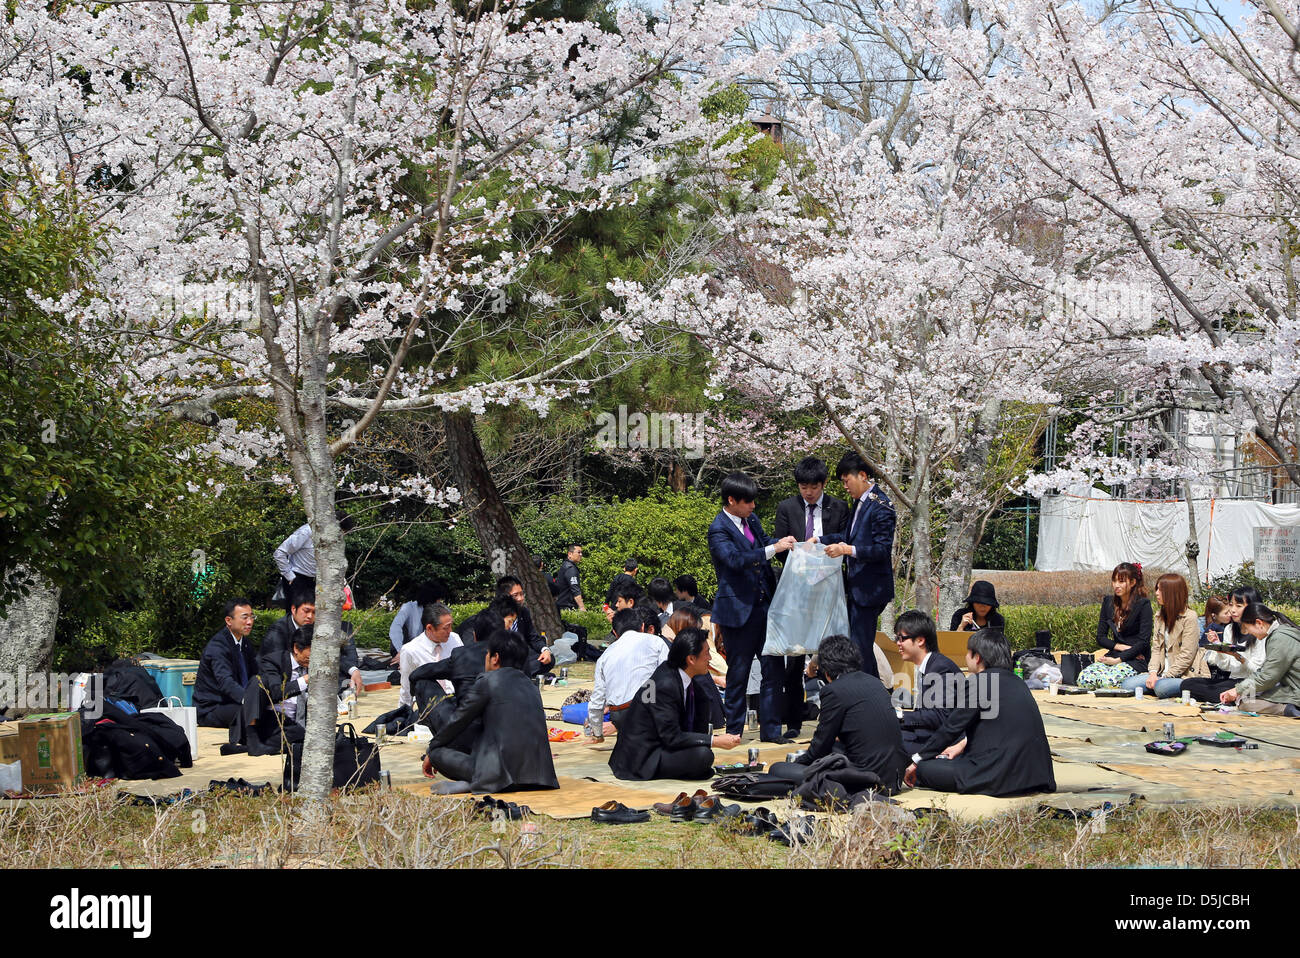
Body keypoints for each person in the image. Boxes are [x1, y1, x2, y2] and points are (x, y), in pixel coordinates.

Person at [904, 629, 1055, 797]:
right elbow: (1002, 726)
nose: (966, 658)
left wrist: (917, 760)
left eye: (968, 653)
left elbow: (951, 728)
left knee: (925, 768)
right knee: (948, 759)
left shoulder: (979, 682)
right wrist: (960, 746)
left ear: (977, 657)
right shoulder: (1018, 682)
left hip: (998, 777)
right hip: (1036, 776)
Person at [707, 471, 797, 743]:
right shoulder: (718, 528)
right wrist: (772, 550)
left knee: (773, 669)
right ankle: (734, 730)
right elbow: (734, 560)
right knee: (739, 672)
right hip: (737, 611)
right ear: (732, 500)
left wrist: (790, 545)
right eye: (748, 502)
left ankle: (771, 730)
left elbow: (767, 542)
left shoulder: (751, 520)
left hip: (763, 606)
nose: (753, 506)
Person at [422, 631, 559, 793]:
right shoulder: (531, 685)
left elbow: (458, 720)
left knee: (437, 753)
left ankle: (477, 782)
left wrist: (431, 750)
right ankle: (480, 781)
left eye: (487, 654)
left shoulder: (487, 681)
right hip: (540, 777)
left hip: (498, 775)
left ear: (495, 658)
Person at [773, 455, 851, 740]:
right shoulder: (787, 508)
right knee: (794, 658)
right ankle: (793, 720)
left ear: (824, 484)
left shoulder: (839, 507)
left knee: (831, 655)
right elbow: (779, 548)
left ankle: (834, 719)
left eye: (813, 487)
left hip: (828, 588)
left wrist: (823, 545)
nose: (808, 492)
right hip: (797, 590)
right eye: (803, 486)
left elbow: (844, 536)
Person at [771, 634, 909, 793]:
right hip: (895, 777)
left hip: (868, 780)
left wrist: (797, 763)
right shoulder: (874, 682)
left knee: (779, 770)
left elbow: (820, 745)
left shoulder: (834, 691)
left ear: (826, 668)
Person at [608, 629, 742, 781]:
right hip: (642, 756)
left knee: (702, 749)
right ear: (691, 659)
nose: (710, 658)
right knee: (702, 756)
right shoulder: (664, 685)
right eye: (706, 653)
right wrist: (715, 740)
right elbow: (671, 736)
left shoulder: (684, 679)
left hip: (662, 745)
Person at [816, 451, 896, 679]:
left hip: (871, 589)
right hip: (857, 587)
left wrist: (846, 550)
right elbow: (849, 536)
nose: (845, 487)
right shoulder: (860, 503)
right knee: (858, 645)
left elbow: (881, 549)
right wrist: (820, 540)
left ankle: (872, 693)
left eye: (846, 480)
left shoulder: (881, 505)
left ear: (862, 475)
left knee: (861, 646)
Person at [584, 608, 669, 742]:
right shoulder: (656, 642)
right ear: (642, 626)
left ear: (615, 633)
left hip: (619, 714)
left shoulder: (605, 656)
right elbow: (668, 679)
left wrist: (597, 733)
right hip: (650, 709)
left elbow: (596, 702)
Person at [260, 588, 362, 696]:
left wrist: (353, 670)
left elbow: (328, 654)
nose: (310, 616)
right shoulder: (278, 631)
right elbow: (275, 666)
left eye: (314, 612)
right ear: (293, 609)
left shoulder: (316, 628)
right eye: (306, 611)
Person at [1120, 573, 1206, 697]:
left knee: (1162, 688)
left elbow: (1187, 655)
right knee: (1127, 685)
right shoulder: (1159, 616)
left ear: (1172, 593)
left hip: (1183, 674)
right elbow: (1156, 649)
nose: (1156, 593)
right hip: (1160, 673)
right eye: (1156, 589)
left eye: (1161, 590)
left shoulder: (1189, 617)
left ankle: (1165, 687)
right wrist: (1153, 673)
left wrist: (1166, 676)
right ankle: (1157, 686)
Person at [893, 610, 963, 754]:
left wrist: (900, 716)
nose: (898, 644)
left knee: (887, 742)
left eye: (901, 638)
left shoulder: (941, 668)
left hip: (948, 742)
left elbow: (940, 716)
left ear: (920, 640)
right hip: (932, 734)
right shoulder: (928, 665)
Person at [1182, 586, 1266, 702]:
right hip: (1232, 680)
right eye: (1231, 605)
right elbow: (1225, 666)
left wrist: (1238, 657)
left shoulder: (1260, 632)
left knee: (1219, 691)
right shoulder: (1230, 629)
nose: (1233, 610)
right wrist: (1219, 646)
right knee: (1187, 684)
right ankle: (1232, 699)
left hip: (1250, 683)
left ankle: (1235, 698)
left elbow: (1258, 672)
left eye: (1239, 606)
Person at [1079, 561, 1151, 688]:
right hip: (1113, 654)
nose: (1116, 585)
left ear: (1133, 582)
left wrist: (1119, 659)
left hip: (1135, 658)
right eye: (1114, 581)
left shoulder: (1143, 605)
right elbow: (1101, 637)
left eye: (1121, 581)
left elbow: (1143, 642)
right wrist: (1120, 647)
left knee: (1108, 682)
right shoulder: (1108, 602)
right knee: (1084, 679)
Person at [194, 599, 258, 740]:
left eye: (251, 617)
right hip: (212, 707)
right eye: (244, 617)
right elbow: (226, 682)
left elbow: (256, 674)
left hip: (234, 702)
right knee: (252, 712)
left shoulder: (245, 643)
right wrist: (250, 700)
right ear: (229, 620)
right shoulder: (217, 646)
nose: (249, 622)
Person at [1219, 604, 1300, 716]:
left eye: (1248, 628)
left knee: (1246, 704)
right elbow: (1264, 671)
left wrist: (1237, 690)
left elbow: (1267, 678)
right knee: (1247, 696)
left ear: (1259, 623)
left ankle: (1291, 708)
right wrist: (1240, 689)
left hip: (1296, 692)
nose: (1248, 633)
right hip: (1292, 688)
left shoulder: (1280, 638)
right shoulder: (1280, 634)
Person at [242, 626, 312, 756]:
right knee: (256, 682)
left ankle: (274, 746)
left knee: (306, 737)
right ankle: (252, 741)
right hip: (272, 718)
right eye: (310, 653)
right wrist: (304, 681)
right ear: (296, 648)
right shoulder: (273, 661)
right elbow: (276, 692)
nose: (313, 658)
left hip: (297, 721)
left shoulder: (315, 665)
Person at [272, 512, 355, 607]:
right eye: (339, 532)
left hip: (317, 581)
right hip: (297, 579)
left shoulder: (334, 541)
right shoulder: (306, 532)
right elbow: (280, 553)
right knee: (297, 614)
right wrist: (290, 577)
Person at [400, 603, 462, 711]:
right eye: (446, 628)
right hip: (431, 706)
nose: (450, 631)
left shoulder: (455, 639)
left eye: (451, 625)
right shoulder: (410, 650)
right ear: (430, 628)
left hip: (458, 700)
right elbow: (406, 688)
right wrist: (402, 715)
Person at [497, 576, 554, 676]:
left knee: (549, 659)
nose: (520, 599)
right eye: (515, 595)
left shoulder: (523, 612)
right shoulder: (494, 615)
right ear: (504, 596)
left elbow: (533, 637)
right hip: (502, 657)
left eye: (522, 594)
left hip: (522, 655)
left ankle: (519, 673)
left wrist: (545, 650)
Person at [389, 580, 447, 663]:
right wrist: (401, 652)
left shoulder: (437, 611)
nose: (439, 602)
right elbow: (395, 629)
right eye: (438, 599)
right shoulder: (409, 607)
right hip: (405, 647)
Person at [555, 543, 586, 612]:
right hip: (566, 607)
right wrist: (582, 608)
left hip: (561, 606)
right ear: (570, 554)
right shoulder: (570, 568)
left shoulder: (566, 565)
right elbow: (575, 589)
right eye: (578, 552)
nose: (581, 555)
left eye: (581, 552)